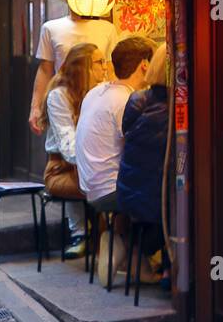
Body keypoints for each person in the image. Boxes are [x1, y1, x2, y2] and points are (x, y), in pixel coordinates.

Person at [39, 42, 108, 258]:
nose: (105, 68)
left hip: (87, 167)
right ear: (83, 68)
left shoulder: (98, 92)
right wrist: (99, 160)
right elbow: (68, 148)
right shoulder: (59, 96)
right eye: (99, 62)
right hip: (60, 170)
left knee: (114, 184)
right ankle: (96, 239)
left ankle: (109, 242)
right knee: (106, 187)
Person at [76, 35, 154, 217]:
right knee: (175, 198)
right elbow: (140, 152)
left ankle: (120, 238)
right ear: (144, 65)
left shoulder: (95, 92)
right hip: (111, 191)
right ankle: (130, 244)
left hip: (90, 188)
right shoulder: (126, 100)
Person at [117, 44, 169, 286]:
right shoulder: (178, 107)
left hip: (130, 195)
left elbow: (125, 133)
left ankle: (129, 249)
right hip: (160, 204)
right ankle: (171, 272)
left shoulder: (137, 100)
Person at [28, 2, 118, 135]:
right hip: (65, 101)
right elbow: (45, 70)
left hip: (97, 103)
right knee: (63, 144)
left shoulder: (107, 28)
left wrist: (115, 104)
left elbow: (110, 69)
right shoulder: (50, 28)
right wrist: (35, 107)